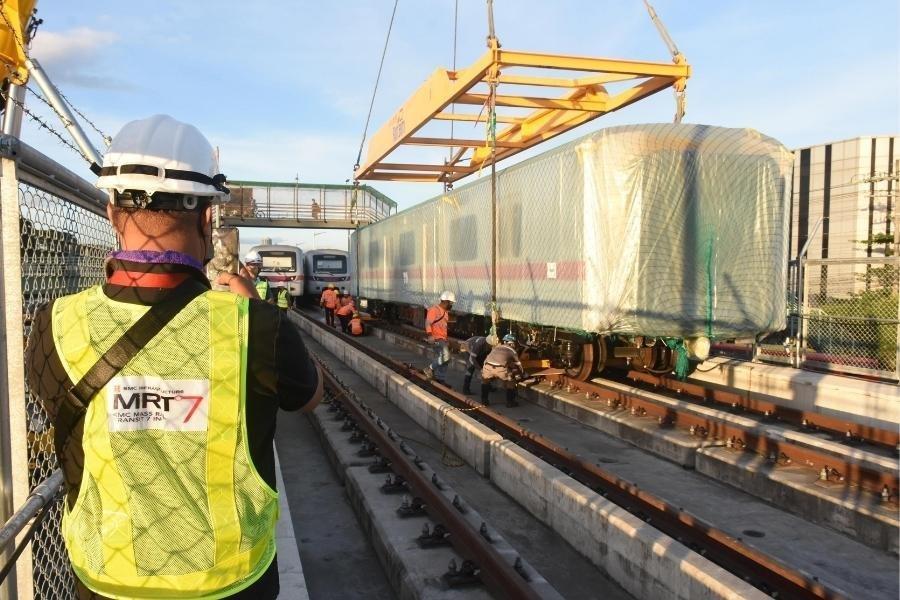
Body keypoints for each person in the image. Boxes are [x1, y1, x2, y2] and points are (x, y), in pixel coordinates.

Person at [24, 114, 323, 600]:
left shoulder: (54, 326)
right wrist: (251, 304)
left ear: (110, 212)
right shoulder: (255, 325)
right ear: (208, 217)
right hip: (231, 584)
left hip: (106, 582)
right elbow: (309, 397)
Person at [481, 333, 525, 407]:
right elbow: (519, 365)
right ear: (512, 343)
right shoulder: (512, 351)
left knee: (485, 381)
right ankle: (510, 402)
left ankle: (484, 401)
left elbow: (486, 360)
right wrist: (521, 374)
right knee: (511, 381)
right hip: (500, 369)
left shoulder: (496, 348)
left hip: (487, 367)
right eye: (514, 343)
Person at [424, 291, 454, 385]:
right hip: (436, 338)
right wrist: (430, 335)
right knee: (446, 356)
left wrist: (446, 339)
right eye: (451, 303)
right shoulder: (434, 309)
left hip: (442, 339)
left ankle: (440, 379)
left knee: (445, 359)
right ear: (446, 301)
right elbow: (428, 322)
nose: (452, 305)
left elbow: (443, 328)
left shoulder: (445, 313)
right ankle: (430, 368)